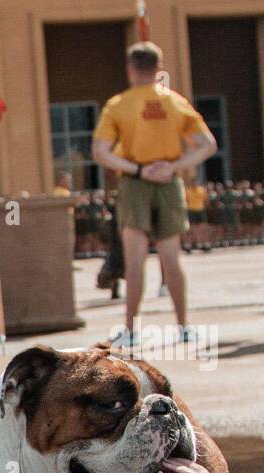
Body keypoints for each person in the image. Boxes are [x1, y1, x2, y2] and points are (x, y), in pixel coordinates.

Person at [91, 41, 217, 350]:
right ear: (159, 68)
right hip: (169, 180)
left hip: (135, 183)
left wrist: (135, 169)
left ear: (131, 69)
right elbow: (207, 144)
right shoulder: (176, 103)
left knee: (135, 260)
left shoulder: (118, 105)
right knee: (172, 259)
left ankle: (132, 328)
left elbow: (100, 152)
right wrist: (174, 165)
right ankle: (184, 326)